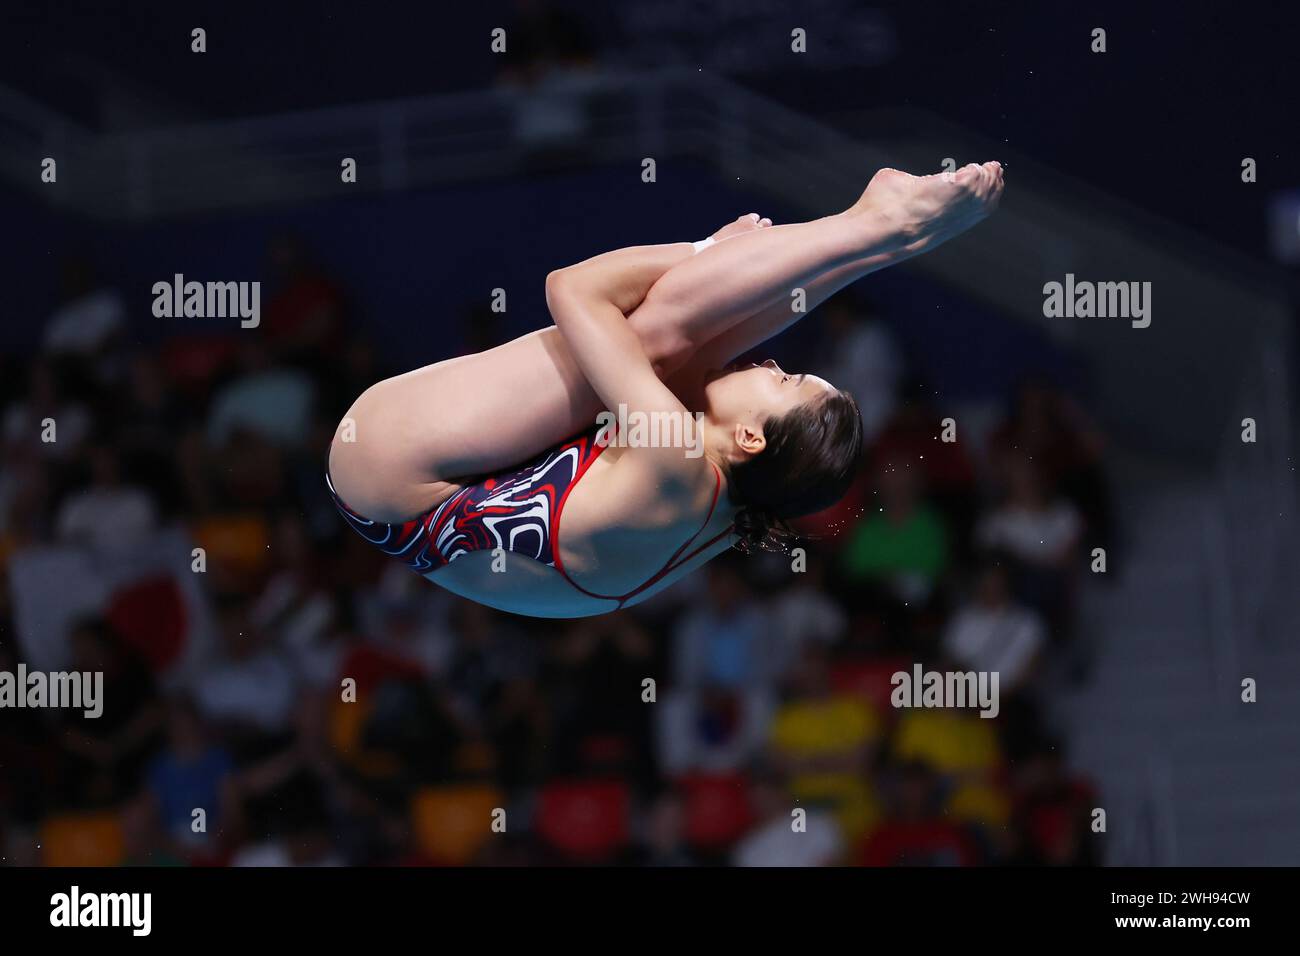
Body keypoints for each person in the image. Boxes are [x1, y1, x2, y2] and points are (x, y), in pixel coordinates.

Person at [328, 163, 1005, 617]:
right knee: (689, 346)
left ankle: (881, 230)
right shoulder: (725, 485)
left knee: (655, 336)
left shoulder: (677, 459)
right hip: (458, 501)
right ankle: (882, 238)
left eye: (786, 381)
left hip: (391, 471)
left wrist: (706, 250)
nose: (772, 366)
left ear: (750, 437)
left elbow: (572, 287)